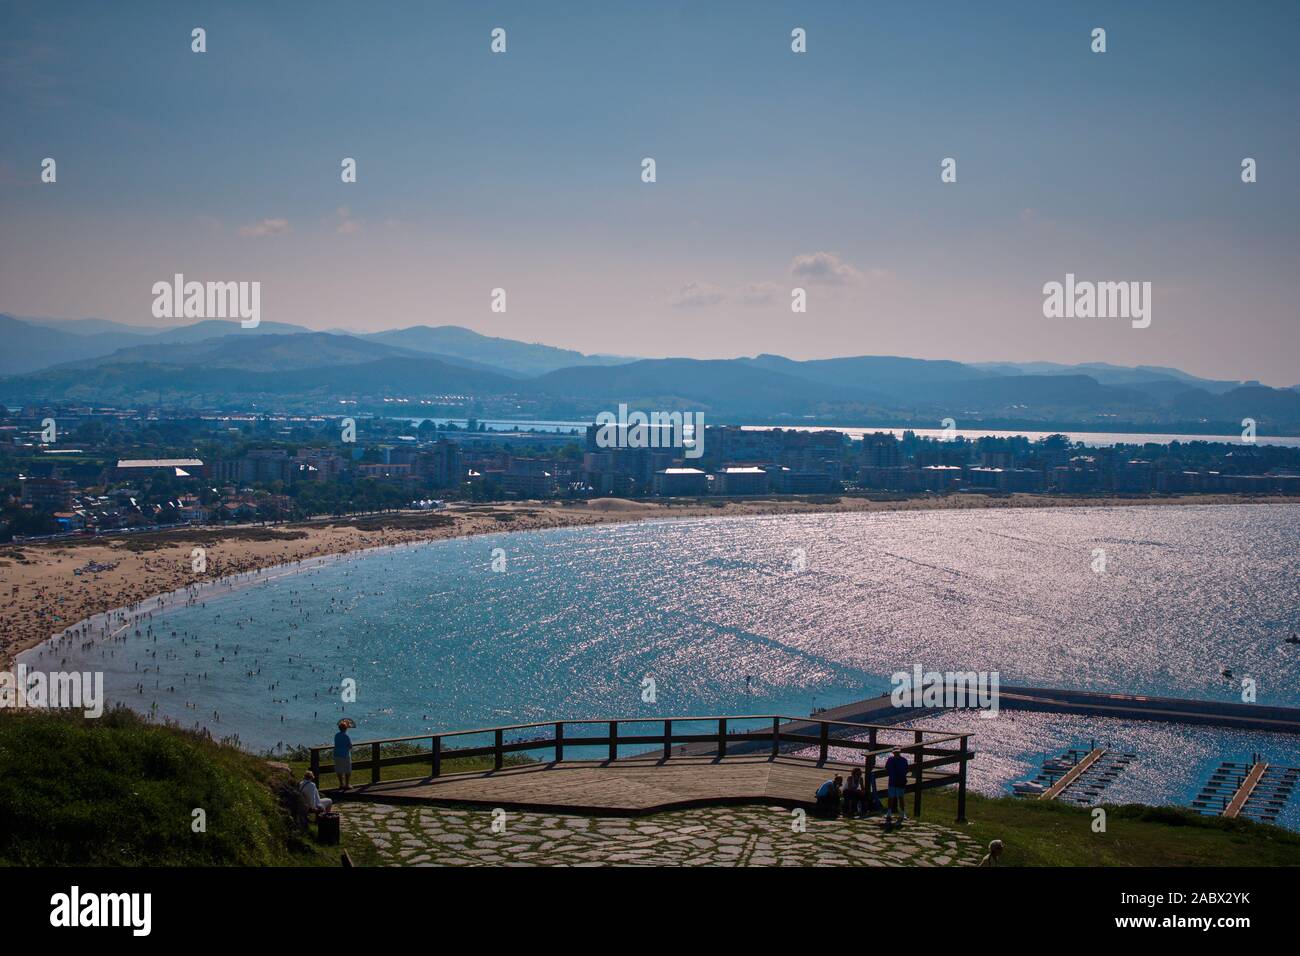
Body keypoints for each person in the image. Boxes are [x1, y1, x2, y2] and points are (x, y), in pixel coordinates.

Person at [883, 747, 909, 827]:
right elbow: (887, 768)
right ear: (893, 752)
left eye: (897, 752)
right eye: (895, 752)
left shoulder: (904, 760)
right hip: (892, 781)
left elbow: (906, 770)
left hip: (900, 781)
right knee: (890, 798)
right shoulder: (890, 760)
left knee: (900, 798)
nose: (896, 753)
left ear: (899, 752)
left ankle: (902, 813)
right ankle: (889, 813)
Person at [334, 720, 353, 791]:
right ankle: (347, 784)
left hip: (337, 754)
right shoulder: (346, 736)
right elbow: (350, 746)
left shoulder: (336, 735)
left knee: (339, 769)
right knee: (347, 770)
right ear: (345, 729)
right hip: (345, 755)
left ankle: (341, 784)